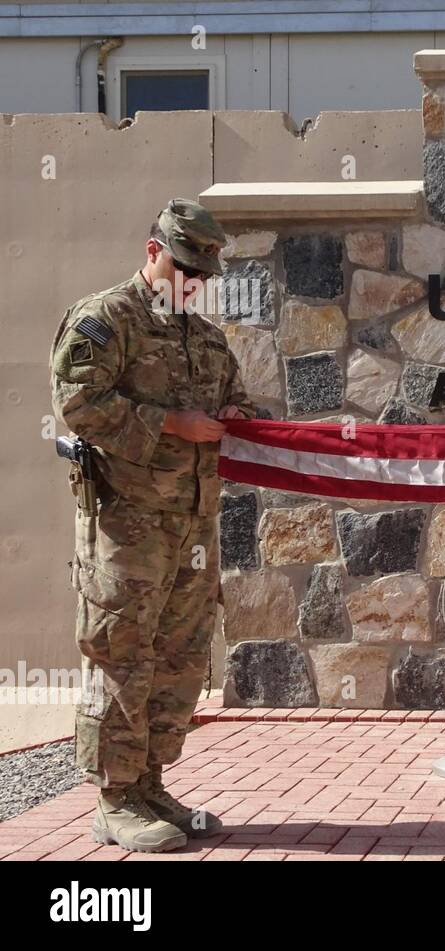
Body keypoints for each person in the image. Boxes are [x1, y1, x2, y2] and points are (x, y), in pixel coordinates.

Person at [50, 198, 257, 852]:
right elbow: (78, 402)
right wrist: (173, 423)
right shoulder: (106, 320)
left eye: (200, 274)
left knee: (179, 661)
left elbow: (235, 402)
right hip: (126, 533)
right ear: (152, 253)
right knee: (122, 661)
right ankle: (114, 799)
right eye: (182, 266)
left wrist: (244, 418)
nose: (190, 282)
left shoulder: (206, 337)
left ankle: (150, 783)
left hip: (192, 533)